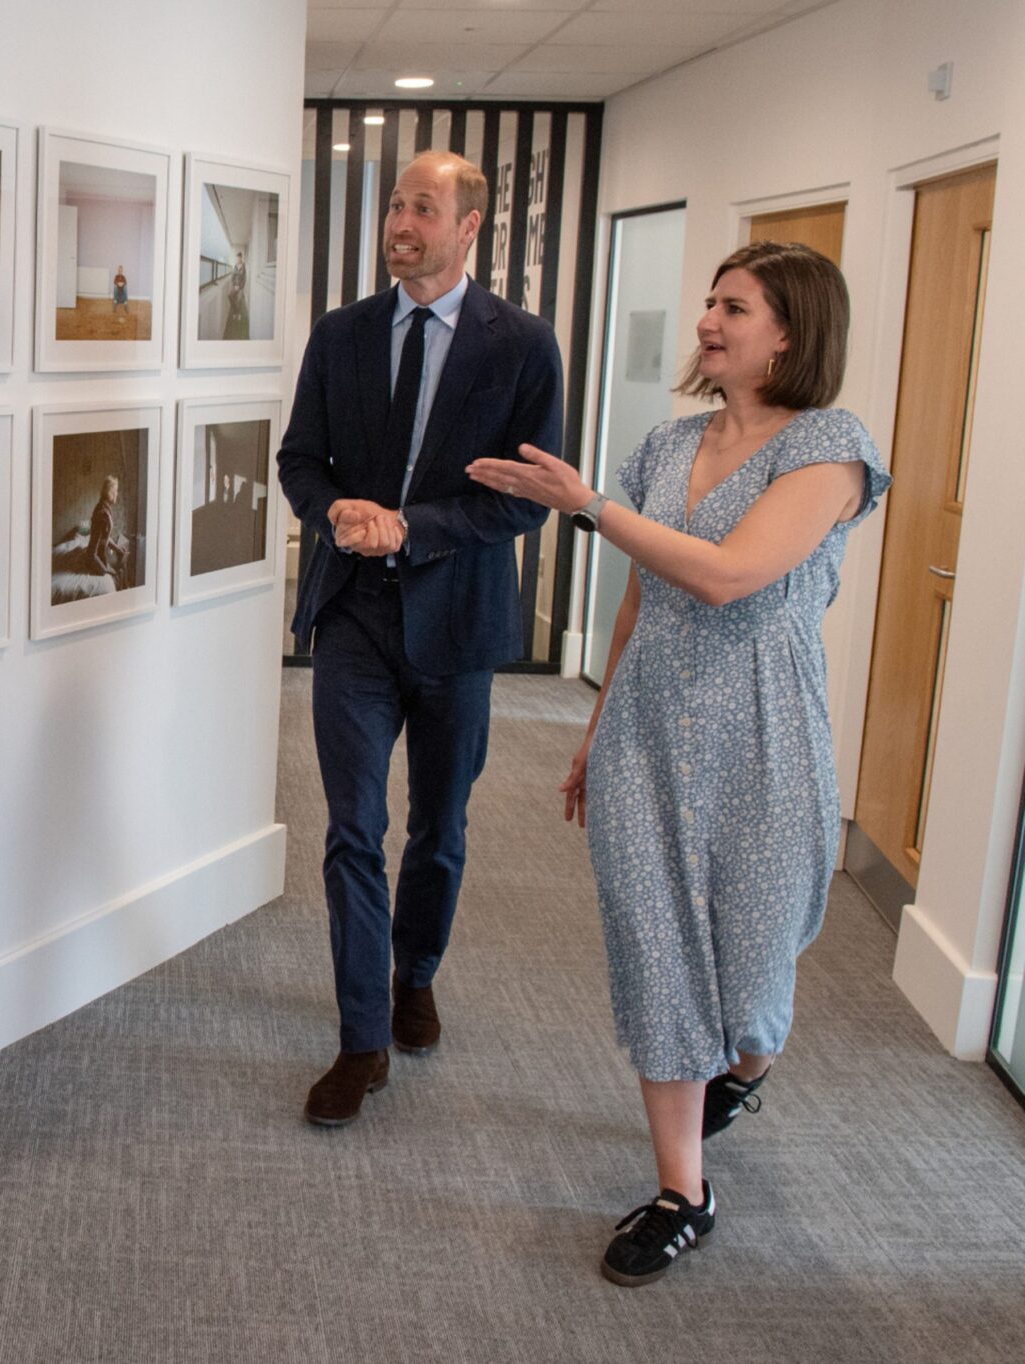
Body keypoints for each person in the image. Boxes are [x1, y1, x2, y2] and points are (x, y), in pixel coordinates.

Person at [467, 240, 887, 1287]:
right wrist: (597, 723)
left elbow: (731, 575)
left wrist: (587, 507)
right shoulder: (663, 443)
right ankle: (679, 1192)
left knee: (751, 980)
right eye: (708, 301)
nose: (707, 319)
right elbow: (642, 598)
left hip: (761, 733)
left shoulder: (827, 446)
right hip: (646, 728)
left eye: (731, 306)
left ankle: (740, 1071)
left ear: (787, 330)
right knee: (656, 959)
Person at [275, 150, 563, 1130]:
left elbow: (524, 500)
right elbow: (296, 459)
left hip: (457, 621)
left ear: (468, 224)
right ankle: (361, 1037)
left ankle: (416, 973)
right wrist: (335, 509)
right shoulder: (342, 334)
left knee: (439, 828)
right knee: (351, 828)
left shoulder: (521, 346)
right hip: (353, 613)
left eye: (421, 207)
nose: (400, 222)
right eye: (395, 204)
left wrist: (416, 526)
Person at [87, 475, 128, 586]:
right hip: (96, 559)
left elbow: (104, 538)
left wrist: (117, 548)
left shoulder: (104, 508)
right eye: (114, 491)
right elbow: (91, 554)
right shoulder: (102, 514)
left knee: (123, 558)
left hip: (101, 554)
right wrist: (106, 569)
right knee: (121, 571)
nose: (117, 494)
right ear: (108, 492)